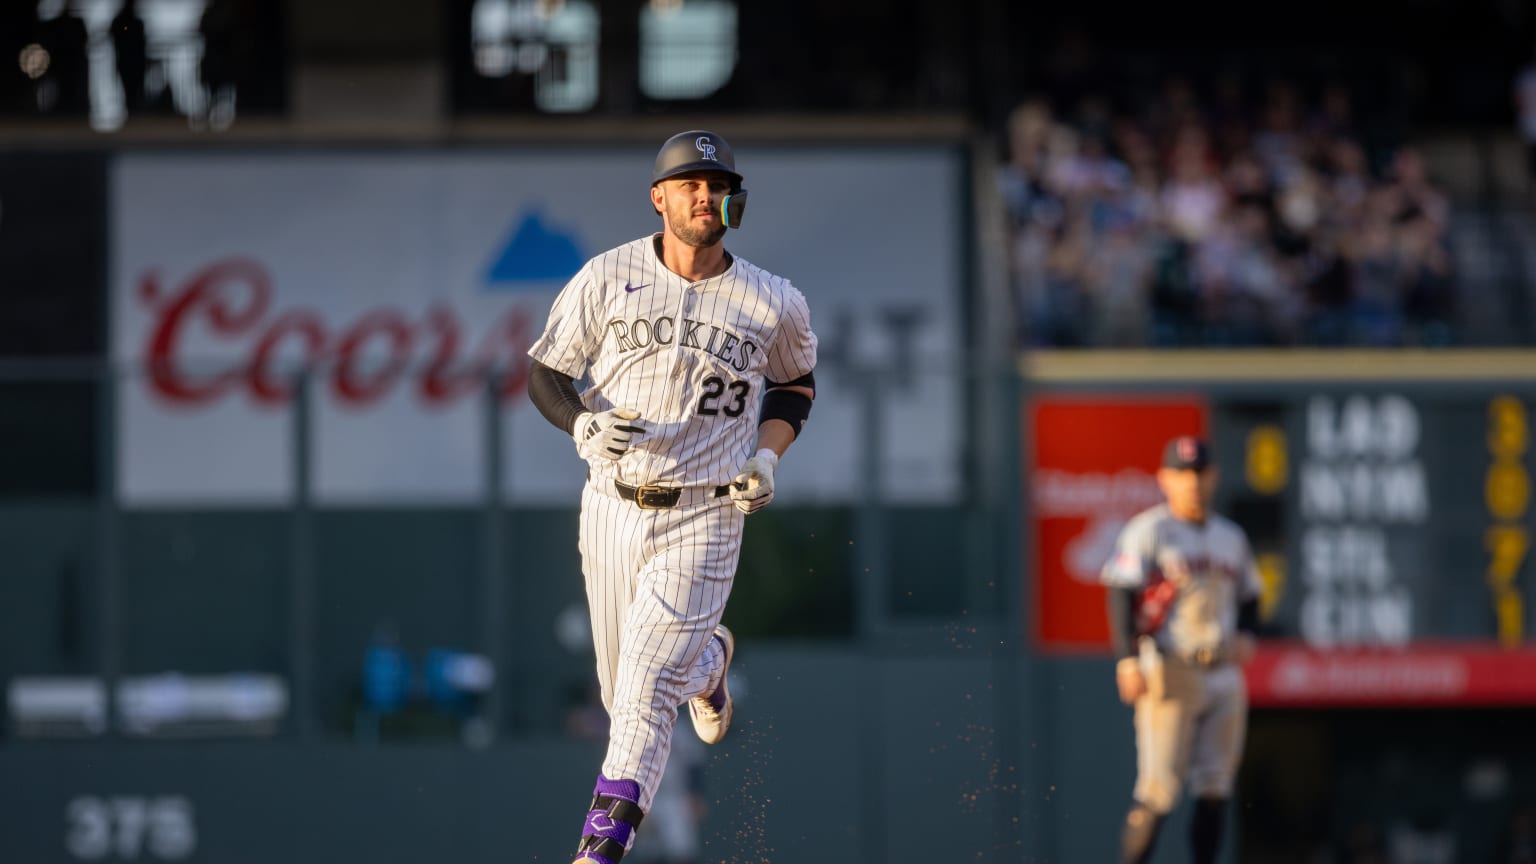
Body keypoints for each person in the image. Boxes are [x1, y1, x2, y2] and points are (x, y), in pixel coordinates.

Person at [526, 129, 818, 864]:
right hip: (613, 504)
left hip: (708, 510)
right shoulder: (605, 276)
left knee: (646, 691)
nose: (705, 194)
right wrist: (582, 423)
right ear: (659, 198)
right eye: (689, 182)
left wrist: (769, 456)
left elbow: (795, 384)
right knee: (619, 691)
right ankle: (710, 664)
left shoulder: (772, 299)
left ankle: (598, 851)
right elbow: (546, 375)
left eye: (716, 183)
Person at [1100, 435, 1262, 864]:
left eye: (1199, 473)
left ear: (1213, 476)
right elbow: (1120, 592)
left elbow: (1251, 596)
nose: (1192, 482)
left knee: (1216, 786)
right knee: (1159, 788)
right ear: (1165, 479)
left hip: (1224, 671)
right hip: (1171, 665)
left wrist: (1248, 631)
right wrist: (1127, 660)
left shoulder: (1231, 536)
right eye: (1182, 473)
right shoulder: (1148, 530)